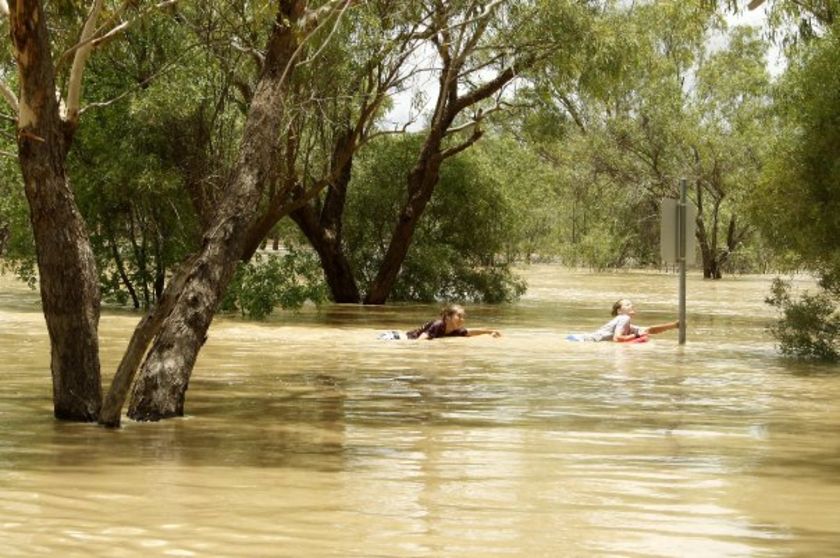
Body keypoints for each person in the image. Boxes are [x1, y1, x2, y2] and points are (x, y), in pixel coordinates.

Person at [572, 298, 679, 342]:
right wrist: (636, 336)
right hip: (580, 340)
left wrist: (674, 325)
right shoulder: (624, 318)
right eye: (627, 305)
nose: (631, 306)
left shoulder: (627, 325)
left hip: (576, 338)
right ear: (619, 311)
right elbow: (617, 338)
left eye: (631, 304)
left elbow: (650, 330)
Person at [379, 304, 501, 340]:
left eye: (464, 317)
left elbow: (470, 332)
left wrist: (490, 331)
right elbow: (420, 341)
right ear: (448, 317)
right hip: (395, 338)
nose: (462, 320)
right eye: (459, 316)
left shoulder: (454, 330)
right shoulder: (438, 325)